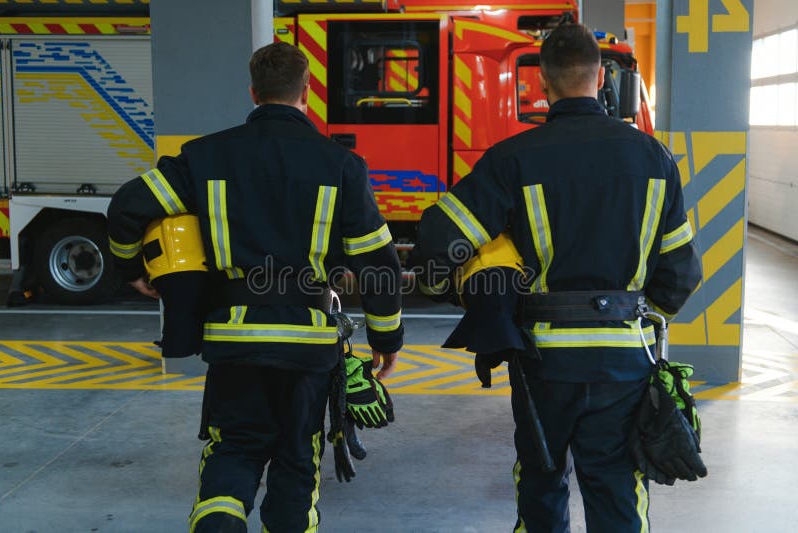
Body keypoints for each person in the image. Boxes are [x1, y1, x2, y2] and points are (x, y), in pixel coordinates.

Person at [410, 24, 701, 532]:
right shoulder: (654, 157)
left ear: (542, 84)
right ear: (602, 79)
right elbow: (681, 271)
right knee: (618, 484)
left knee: (541, 481)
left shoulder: (513, 157)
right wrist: (641, 319)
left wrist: (460, 289)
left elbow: (440, 237)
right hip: (624, 357)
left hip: (544, 358)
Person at [107, 42, 403, 533]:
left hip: (233, 339)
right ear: (307, 92)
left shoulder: (204, 156)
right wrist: (386, 339)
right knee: (296, 458)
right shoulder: (341, 165)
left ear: (253, 92)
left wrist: (131, 270)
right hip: (308, 344)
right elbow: (379, 263)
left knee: (235, 448)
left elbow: (127, 207)